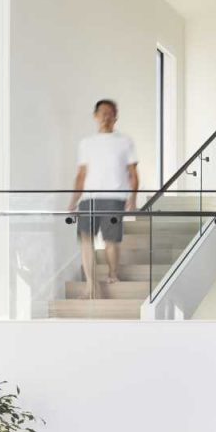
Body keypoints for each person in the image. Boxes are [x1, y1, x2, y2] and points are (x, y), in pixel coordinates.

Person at [67, 99, 139, 299]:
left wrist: (132, 198)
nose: (106, 116)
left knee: (110, 240)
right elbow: (81, 174)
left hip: (114, 196)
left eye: (110, 113)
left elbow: (133, 173)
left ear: (116, 117)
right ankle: (91, 285)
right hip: (89, 198)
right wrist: (73, 200)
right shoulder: (86, 143)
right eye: (102, 113)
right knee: (86, 239)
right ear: (95, 116)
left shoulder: (125, 142)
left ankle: (112, 273)